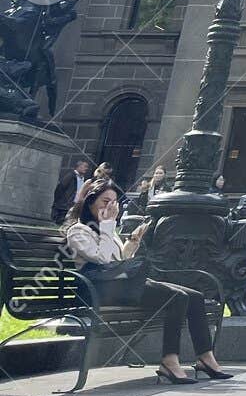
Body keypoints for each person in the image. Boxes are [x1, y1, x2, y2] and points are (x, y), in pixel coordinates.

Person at [63, 183, 233, 384]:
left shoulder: (106, 229)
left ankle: (206, 359)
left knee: (195, 296)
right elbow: (102, 260)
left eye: (113, 203)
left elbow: (119, 260)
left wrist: (133, 241)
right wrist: (108, 224)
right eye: (104, 201)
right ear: (90, 202)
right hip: (99, 290)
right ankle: (169, 361)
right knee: (178, 298)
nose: (109, 207)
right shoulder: (79, 231)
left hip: (119, 284)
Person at [52, 157, 93, 224]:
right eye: (85, 166)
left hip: (75, 205)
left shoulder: (83, 179)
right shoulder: (70, 176)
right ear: (79, 166)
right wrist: (62, 201)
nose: (86, 168)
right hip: (66, 205)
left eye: (87, 167)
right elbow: (60, 188)